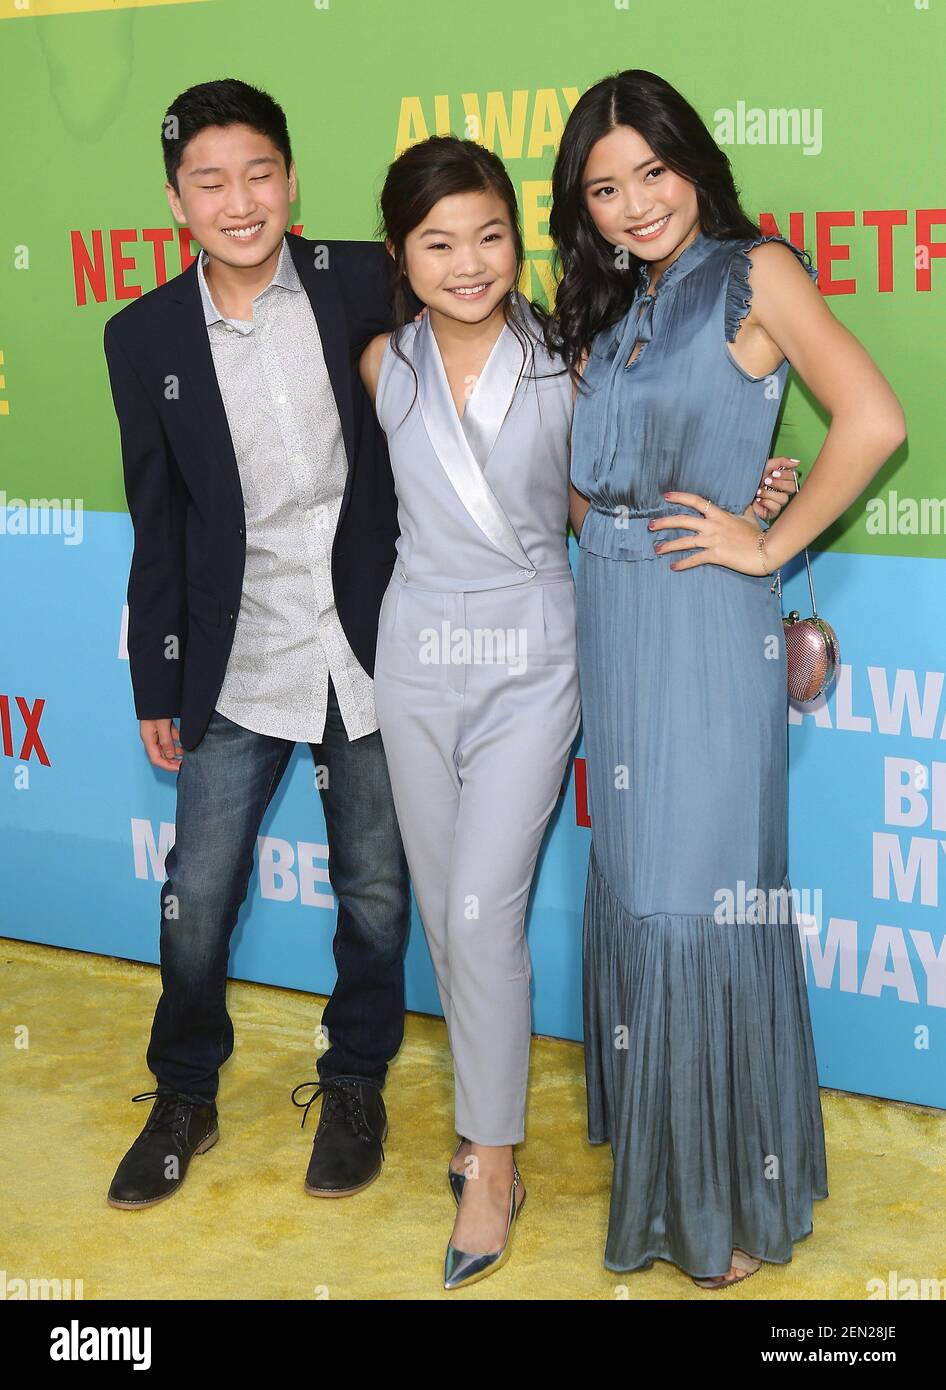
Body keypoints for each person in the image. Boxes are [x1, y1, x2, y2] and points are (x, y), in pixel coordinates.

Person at [358, 136, 794, 1290]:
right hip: (413, 656)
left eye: (491, 236)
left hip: (535, 655)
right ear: (399, 254)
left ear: (522, 236)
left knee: (475, 905)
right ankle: (479, 1116)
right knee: (448, 921)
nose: (468, 263)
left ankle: (492, 1165)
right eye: (439, 243)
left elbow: (606, 488)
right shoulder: (378, 365)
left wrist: (749, 486)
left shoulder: (570, 357)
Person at [544, 69, 906, 1288]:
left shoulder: (758, 273)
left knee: (702, 906)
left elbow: (873, 418)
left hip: (704, 624)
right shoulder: (607, 302)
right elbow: (592, 488)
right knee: (645, 895)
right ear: (581, 207)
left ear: (692, 160)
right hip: (613, 614)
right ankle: (675, 1176)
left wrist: (767, 533)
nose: (634, 203)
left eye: (651, 170)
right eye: (604, 187)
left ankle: (725, 1206)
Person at [102, 78, 410, 1210]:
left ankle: (357, 1078)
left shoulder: (362, 279)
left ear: (291, 177)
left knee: (375, 889)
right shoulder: (142, 337)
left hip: (370, 648)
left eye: (260, 173)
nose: (240, 201)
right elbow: (160, 521)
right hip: (238, 661)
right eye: (210, 181)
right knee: (200, 894)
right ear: (175, 199)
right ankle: (185, 1091)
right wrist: (157, 679)